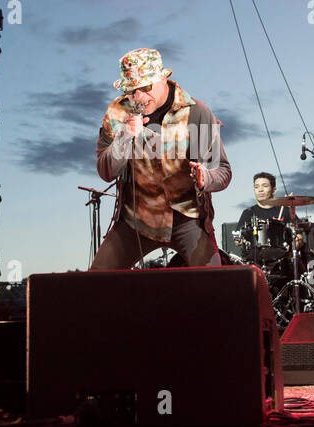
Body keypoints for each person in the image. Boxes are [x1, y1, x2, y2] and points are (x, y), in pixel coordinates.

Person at [91, 48, 231, 268]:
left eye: (145, 87)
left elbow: (223, 170)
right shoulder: (118, 112)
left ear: (163, 78)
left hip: (187, 219)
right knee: (94, 283)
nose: (138, 97)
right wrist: (124, 136)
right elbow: (106, 172)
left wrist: (206, 178)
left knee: (213, 280)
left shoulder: (196, 112)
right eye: (131, 90)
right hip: (135, 221)